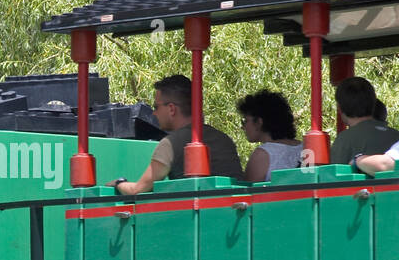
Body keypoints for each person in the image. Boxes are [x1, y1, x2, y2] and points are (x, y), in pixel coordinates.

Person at [108, 75, 243, 195]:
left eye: (156, 107)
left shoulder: (171, 144)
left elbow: (137, 190)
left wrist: (119, 183)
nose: (154, 113)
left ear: (172, 109)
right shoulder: (224, 139)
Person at [329, 76, 399, 165]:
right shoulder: (397, 136)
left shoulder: (345, 140)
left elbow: (332, 176)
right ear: (374, 102)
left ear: (339, 107)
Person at [236, 90, 304, 182]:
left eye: (245, 121)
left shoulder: (261, 155)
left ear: (259, 122)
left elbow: (250, 194)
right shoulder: (306, 148)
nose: (243, 127)